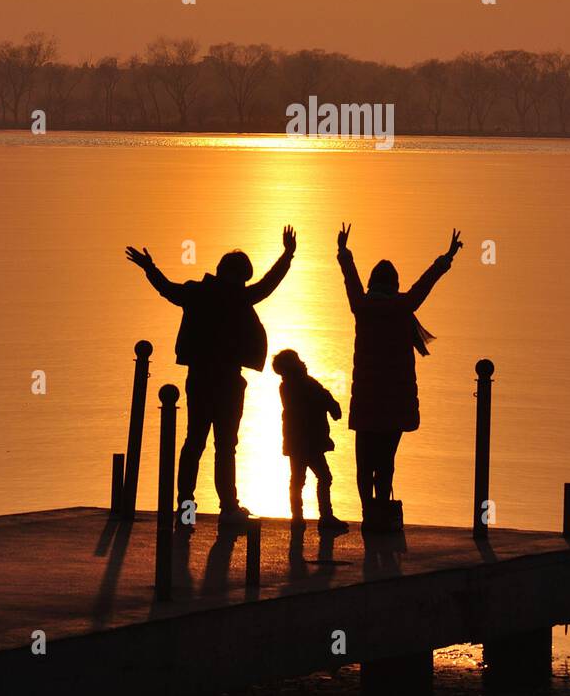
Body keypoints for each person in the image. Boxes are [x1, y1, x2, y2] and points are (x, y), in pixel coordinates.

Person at [125, 226, 296, 528]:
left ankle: (191, 510)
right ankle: (225, 509)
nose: (242, 282)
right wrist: (287, 254)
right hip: (226, 382)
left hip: (203, 380)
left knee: (199, 443)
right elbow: (268, 284)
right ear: (239, 275)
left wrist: (148, 267)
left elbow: (167, 288)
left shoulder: (198, 292)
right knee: (221, 445)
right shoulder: (240, 297)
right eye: (242, 276)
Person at [336, 223, 462, 529]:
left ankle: (369, 513)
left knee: (364, 462)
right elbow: (426, 283)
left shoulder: (362, 307)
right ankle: (381, 509)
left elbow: (350, 281)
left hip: (366, 401)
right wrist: (446, 257)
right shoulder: (404, 306)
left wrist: (344, 252)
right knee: (386, 461)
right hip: (395, 402)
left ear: (372, 283)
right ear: (394, 284)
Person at [271, 349, 348, 535]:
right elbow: (323, 397)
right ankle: (325, 517)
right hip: (309, 441)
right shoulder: (303, 383)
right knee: (323, 477)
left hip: (297, 441)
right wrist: (333, 408)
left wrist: (331, 406)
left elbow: (322, 396)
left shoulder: (289, 386)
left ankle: (298, 518)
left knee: (298, 480)